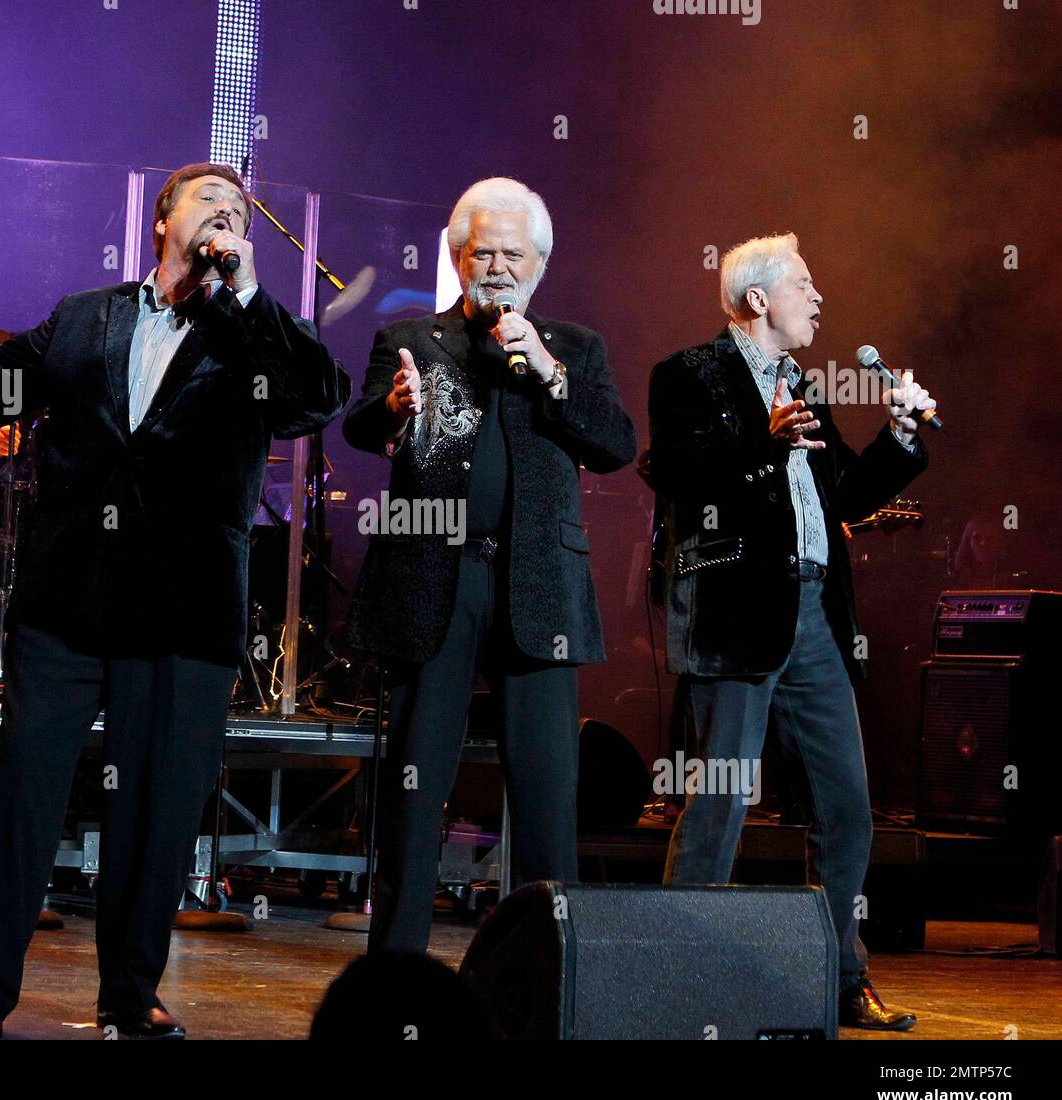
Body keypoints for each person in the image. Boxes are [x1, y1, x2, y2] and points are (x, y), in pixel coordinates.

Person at [0, 162, 349, 1039]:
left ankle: (131, 995)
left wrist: (253, 297)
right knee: (23, 796)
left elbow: (318, 397)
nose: (227, 212)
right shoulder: (84, 318)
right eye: (209, 200)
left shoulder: (251, 335)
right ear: (161, 221)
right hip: (67, 600)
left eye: (240, 207)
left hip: (184, 613)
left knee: (159, 807)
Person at [646, 232, 933, 1030]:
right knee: (723, 801)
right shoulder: (691, 374)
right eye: (804, 284)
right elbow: (677, 473)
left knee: (848, 804)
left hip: (814, 615)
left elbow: (841, 494)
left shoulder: (802, 383)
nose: (819, 298)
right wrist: (764, 448)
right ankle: (679, 973)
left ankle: (840, 972)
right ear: (759, 299)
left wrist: (901, 436)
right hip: (736, 611)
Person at [343, 177, 636, 953]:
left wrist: (548, 370)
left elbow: (615, 444)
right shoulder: (411, 338)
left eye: (513, 253)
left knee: (546, 797)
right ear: (457, 257)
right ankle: (395, 969)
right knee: (414, 786)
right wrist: (395, 410)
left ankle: (548, 970)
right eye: (483, 252)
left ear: (539, 264)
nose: (498, 266)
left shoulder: (572, 346)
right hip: (434, 581)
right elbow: (361, 423)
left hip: (538, 586)